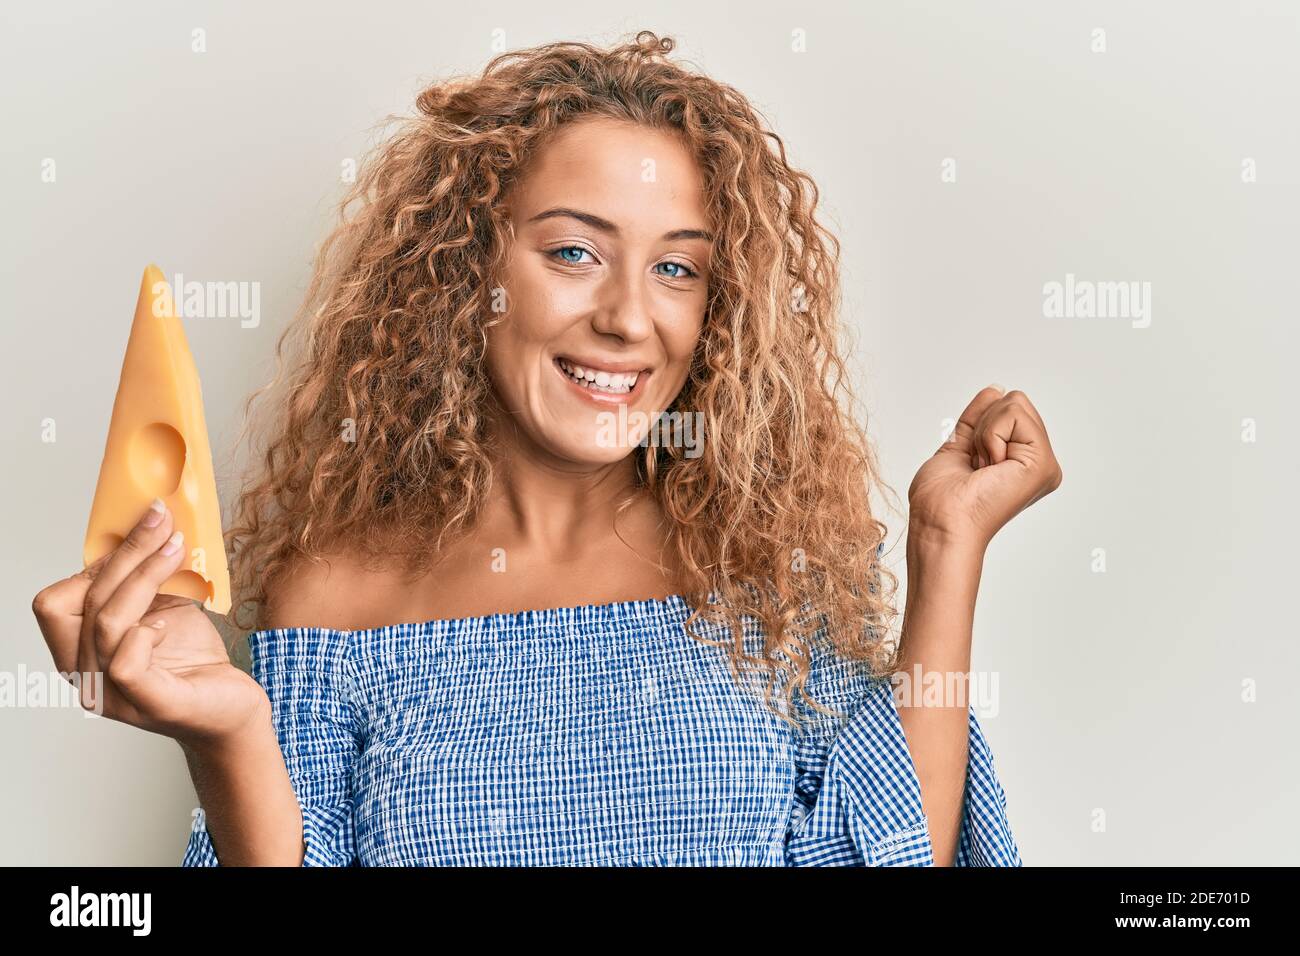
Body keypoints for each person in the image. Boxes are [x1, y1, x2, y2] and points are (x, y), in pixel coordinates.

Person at [32, 31, 1061, 866]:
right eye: (574, 251)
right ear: (466, 272)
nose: (627, 317)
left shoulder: (764, 567)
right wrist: (228, 736)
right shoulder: (336, 594)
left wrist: (943, 545)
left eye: (677, 271)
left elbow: (881, 853)